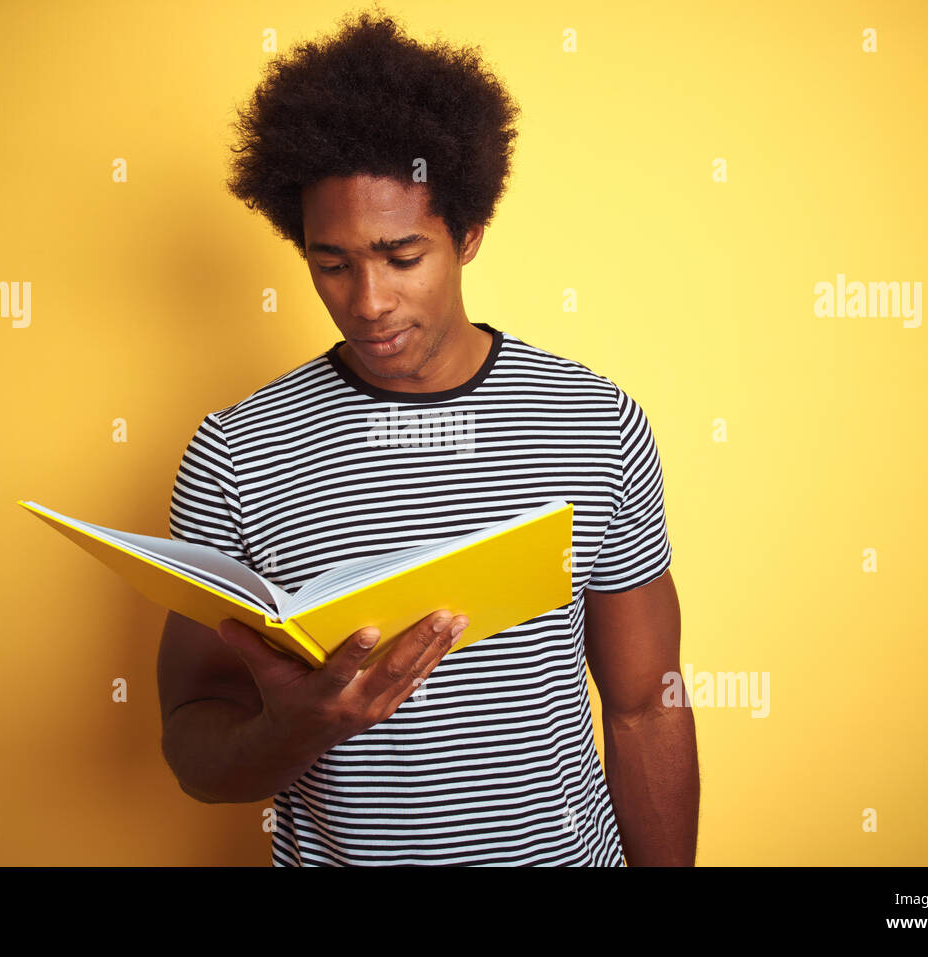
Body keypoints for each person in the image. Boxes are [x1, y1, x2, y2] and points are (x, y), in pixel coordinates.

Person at [156, 9, 697, 866]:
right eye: (331, 263)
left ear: (469, 235)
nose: (367, 300)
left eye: (402, 255)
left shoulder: (592, 423)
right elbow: (193, 744)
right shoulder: (235, 450)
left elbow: (647, 706)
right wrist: (289, 732)